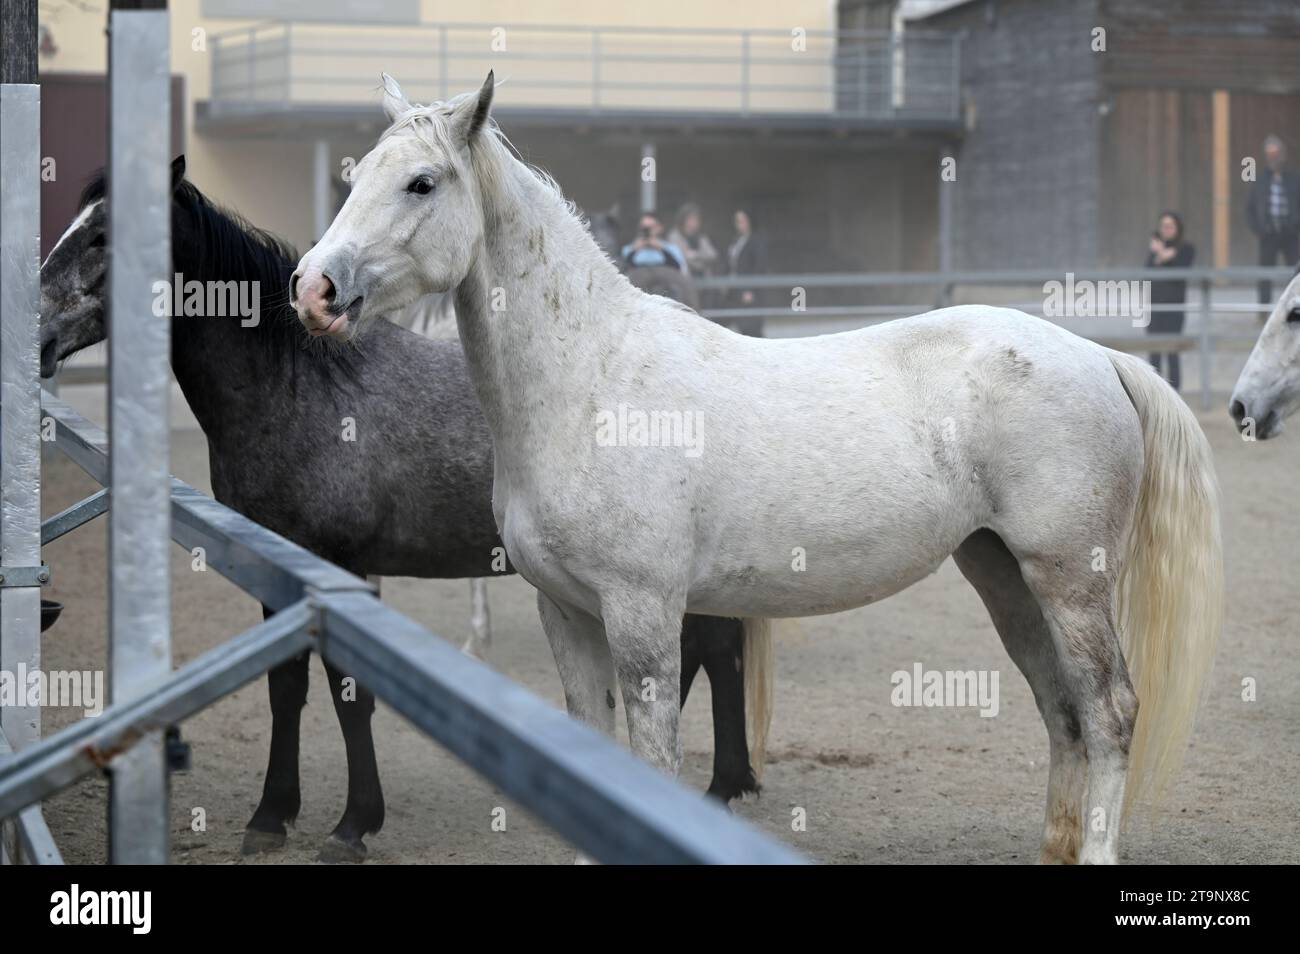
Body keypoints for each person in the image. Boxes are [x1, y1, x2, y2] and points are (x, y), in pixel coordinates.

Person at [1246, 135, 1300, 308]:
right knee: (1265, 273)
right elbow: (1250, 208)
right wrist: (1258, 229)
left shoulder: (1293, 180)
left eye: (1276, 153)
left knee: (1295, 272)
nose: (1273, 157)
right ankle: (1263, 309)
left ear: (1282, 155)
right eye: (1270, 154)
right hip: (1268, 233)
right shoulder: (1259, 181)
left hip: (1290, 232)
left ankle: (1294, 307)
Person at [1145, 211, 1194, 392]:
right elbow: (1146, 273)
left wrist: (1167, 257)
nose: (1166, 230)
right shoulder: (1155, 249)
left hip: (1174, 307)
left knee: (1173, 351)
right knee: (1154, 351)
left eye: (1170, 226)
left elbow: (1181, 273)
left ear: (1177, 228)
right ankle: (1155, 391)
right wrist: (1158, 256)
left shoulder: (1186, 248)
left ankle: (1175, 392)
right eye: (1163, 226)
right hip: (1154, 306)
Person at [725, 209, 766, 337]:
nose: (739, 224)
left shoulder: (756, 241)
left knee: (752, 327)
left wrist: (750, 290)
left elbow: (759, 266)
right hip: (735, 288)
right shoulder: (736, 241)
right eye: (737, 221)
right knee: (741, 324)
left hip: (749, 290)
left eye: (742, 221)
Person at [667, 203, 719, 280]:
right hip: (683, 280)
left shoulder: (701, 237)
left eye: (697, 219)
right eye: (692, 219)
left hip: (703, 280)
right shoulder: (675, 236)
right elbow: (679, 257)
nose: (696, 222)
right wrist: (701, 260)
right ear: (684, 220)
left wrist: (696, 255)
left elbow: (713, 255)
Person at [621, 213, 686, 272]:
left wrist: (662, 249)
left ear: (660, 228)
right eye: (643, 228)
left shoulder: (672, 249)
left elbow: (679, 271)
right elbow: (623, 271)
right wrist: (634, 251)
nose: (647, 231)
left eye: (651, 227)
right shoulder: (628, 250)